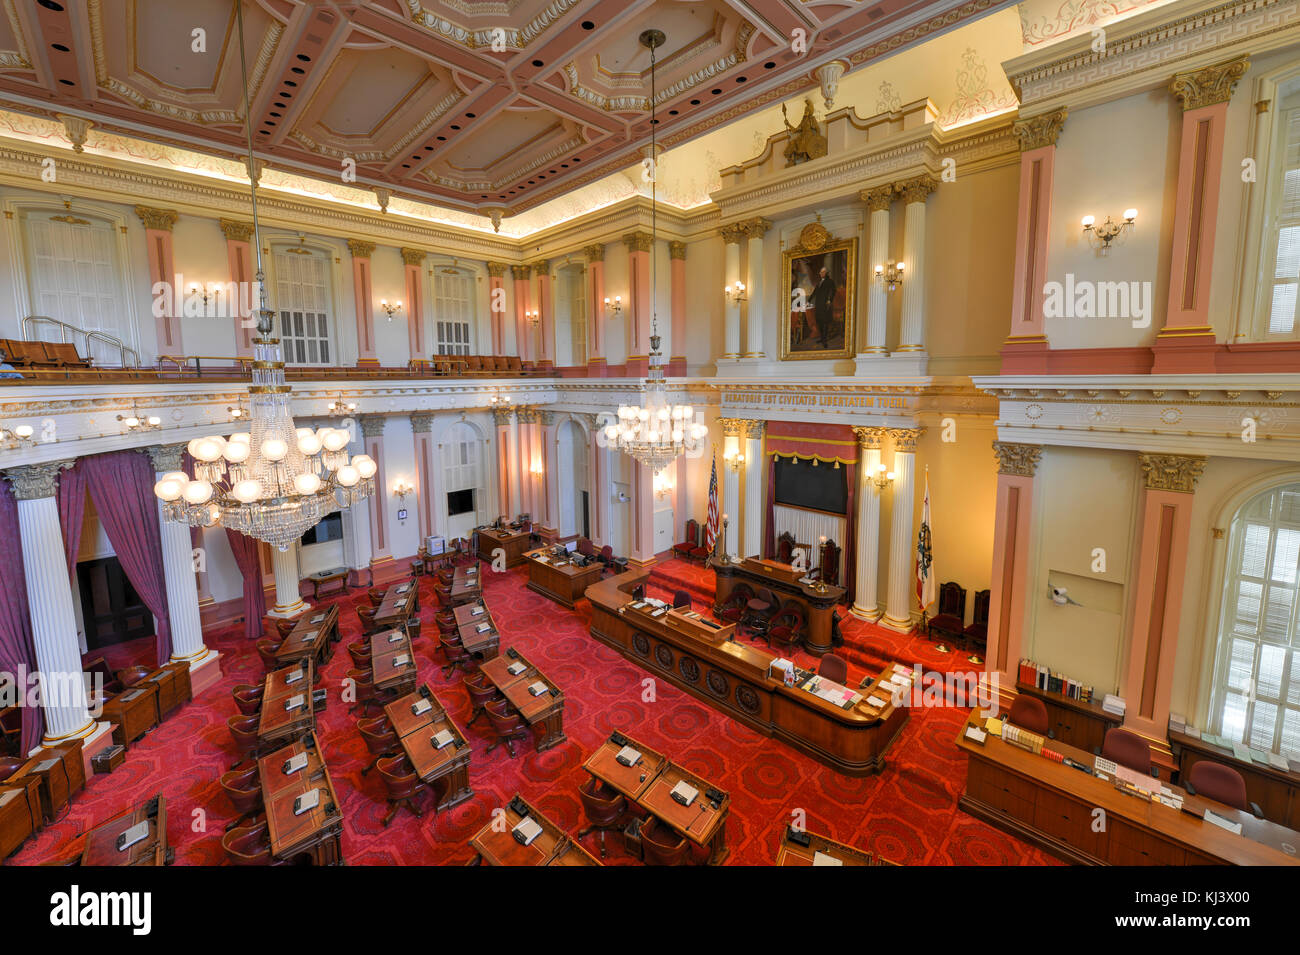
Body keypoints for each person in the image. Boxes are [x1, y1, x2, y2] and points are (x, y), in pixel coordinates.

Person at [811, 266, 837, 348]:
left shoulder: (830, 281)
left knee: (825, 323)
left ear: (826, 273)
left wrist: (830, 300)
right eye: (820, 272)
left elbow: (833, 291)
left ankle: (825, 341)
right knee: (819, 322)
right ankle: (822, 338)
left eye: (822, 272)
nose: (820, 273)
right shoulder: (819, 282)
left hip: (825, 305)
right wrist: (808, 301)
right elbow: (814, 293)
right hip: (818, 305)